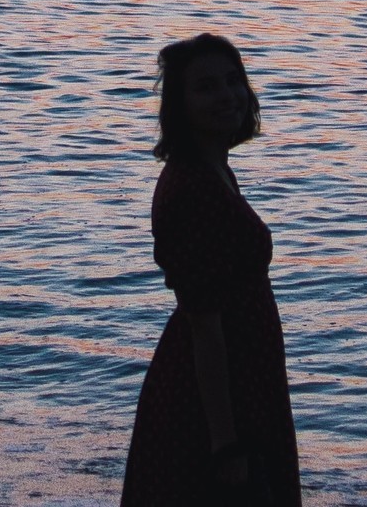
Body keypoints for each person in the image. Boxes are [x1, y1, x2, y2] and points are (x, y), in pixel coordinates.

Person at [120, 34, 301, 505]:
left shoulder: (212, 167)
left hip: (246, 382)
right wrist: (225, 445)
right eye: (205, 87)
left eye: (232, 80)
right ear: (179, 105)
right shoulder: (191, 188)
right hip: (211, 402)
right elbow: (204, 323)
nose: (226, 95)